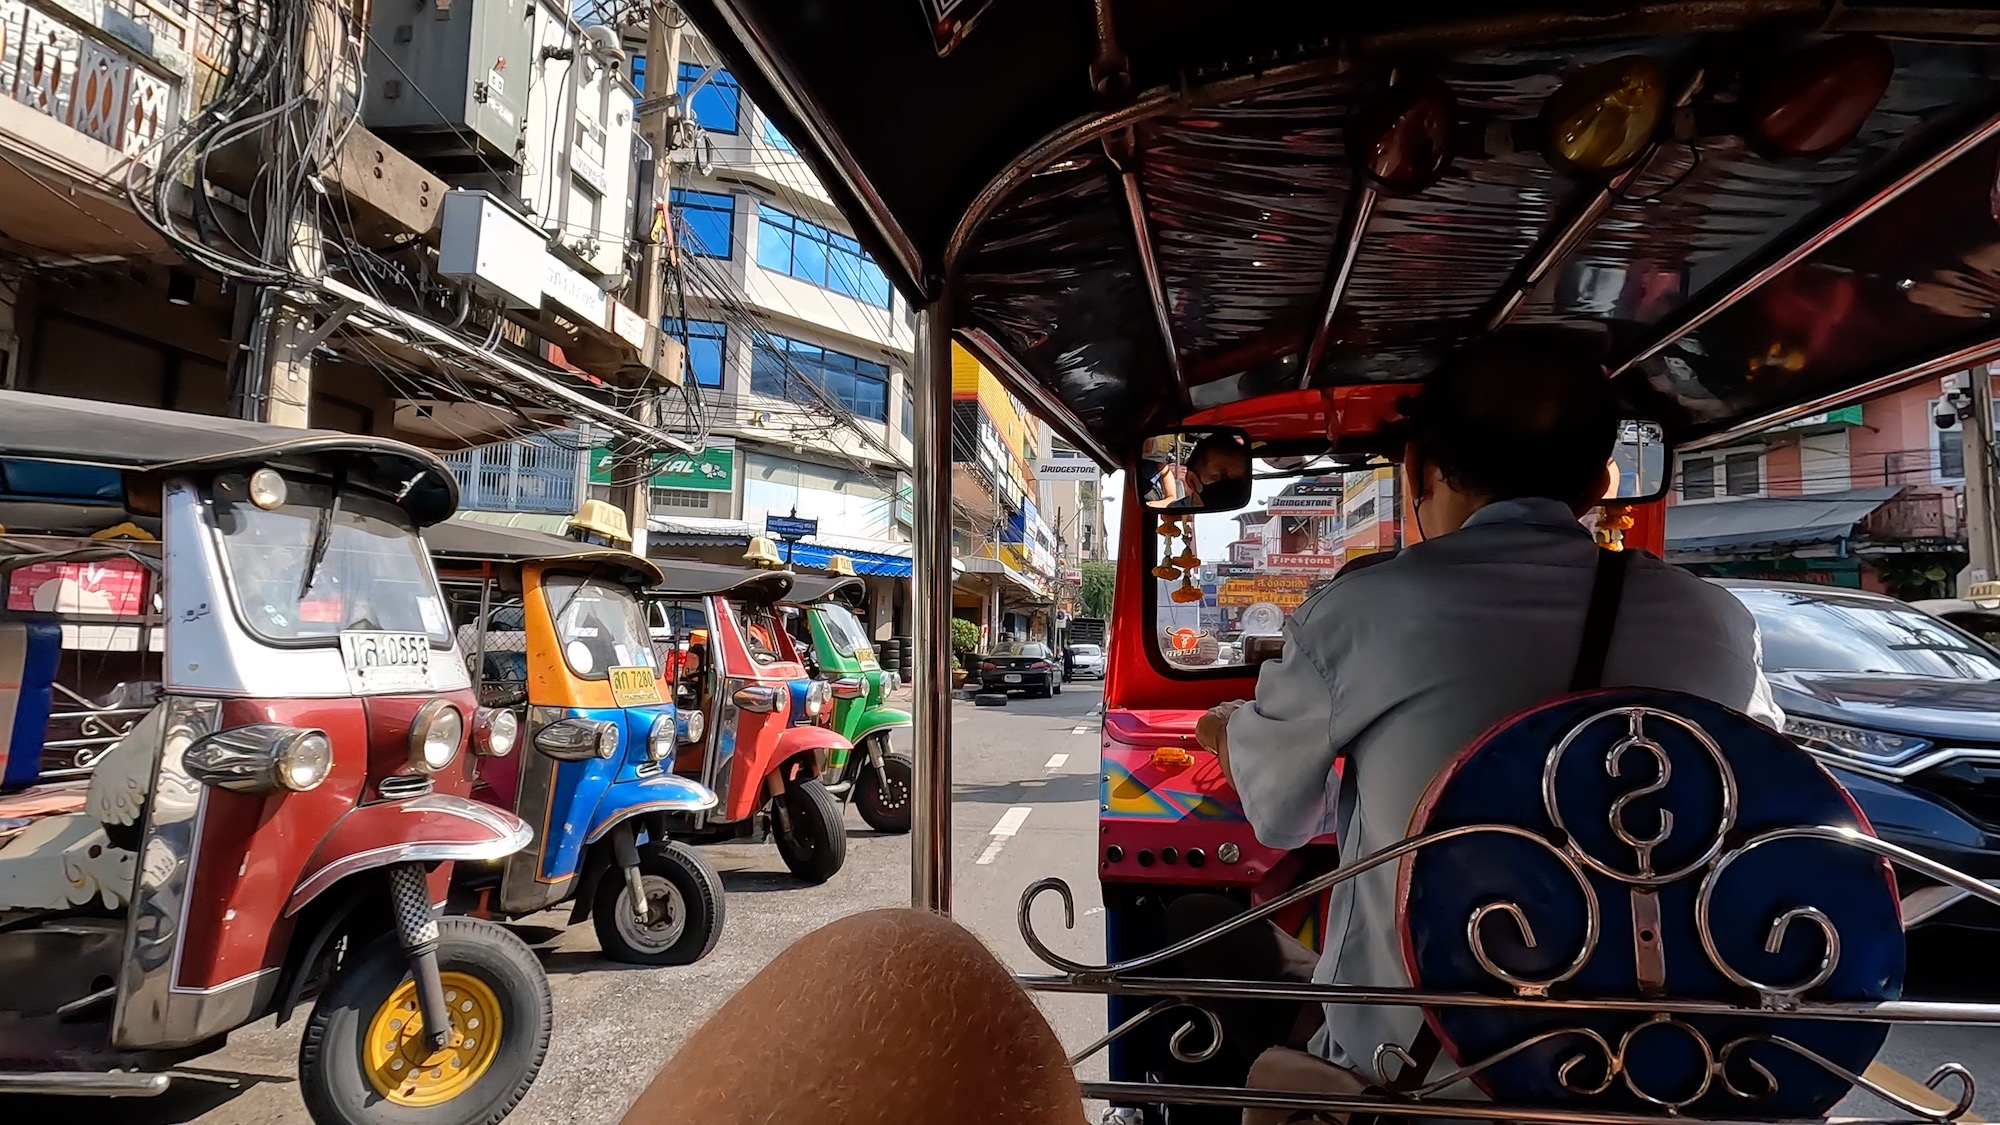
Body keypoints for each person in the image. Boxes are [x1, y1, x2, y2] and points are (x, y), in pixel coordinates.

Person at [1179, 326, 1782, 1104]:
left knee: (1199, 923)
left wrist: (1225, 729)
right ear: (1601, 482)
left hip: (1417, 1076)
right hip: (1655, 1076)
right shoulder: (1715, 620)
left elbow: (1283, 818)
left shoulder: (1365, 609)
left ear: (1419, 468)